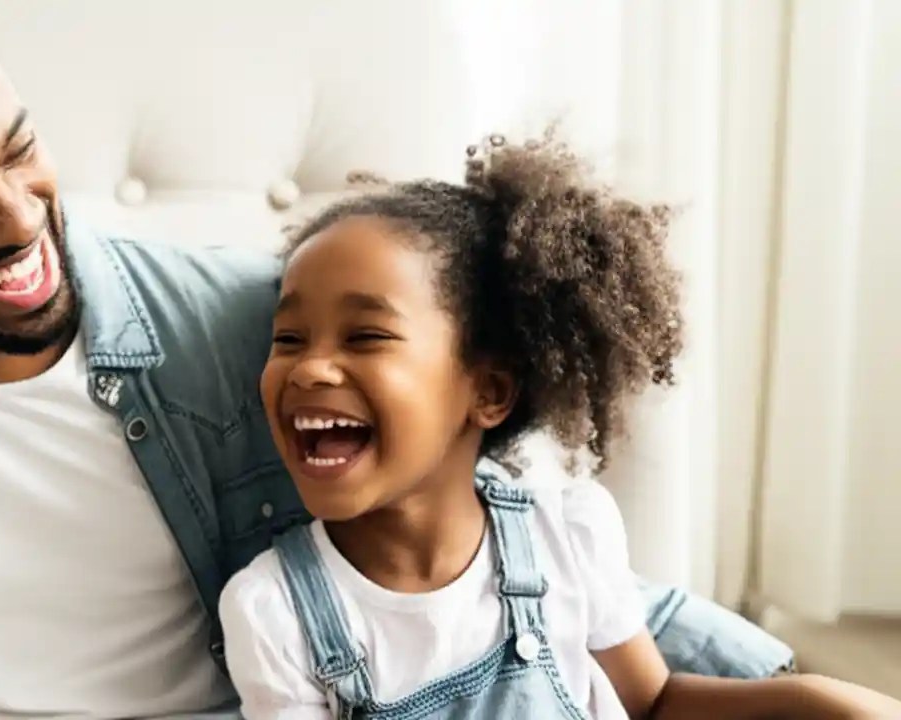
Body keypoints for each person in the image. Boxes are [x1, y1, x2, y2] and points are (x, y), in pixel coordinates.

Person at [0, 0, 800, 718]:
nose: (14, 224)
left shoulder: (263, 334)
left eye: (19, 152)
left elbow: (504, 550)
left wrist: (783, 679)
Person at [218, 137, 901, 719]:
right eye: (289, 339)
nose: (309, 369)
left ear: (486, 392)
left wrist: (820, 700)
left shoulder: (564, 537)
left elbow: (653, 703)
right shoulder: (276, 614)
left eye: (365, 335)